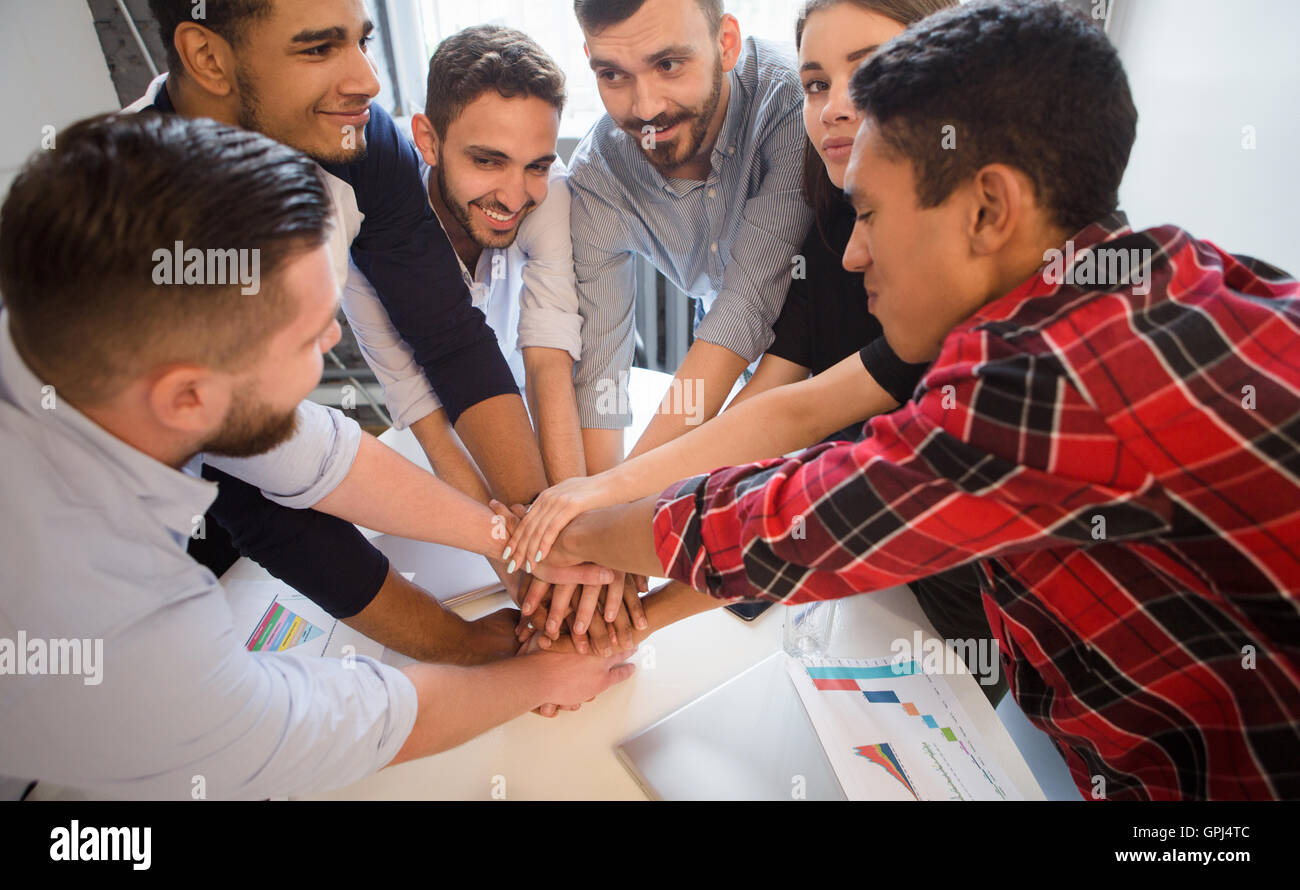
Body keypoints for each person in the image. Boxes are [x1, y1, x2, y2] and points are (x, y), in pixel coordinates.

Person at [527, 0, 1300, 800]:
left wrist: (574, 536)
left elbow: (786, 523)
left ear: (987, 210)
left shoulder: (1047, 381)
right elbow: (800, 416)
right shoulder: (1155, 276)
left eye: (869, 214)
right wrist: (598, 512)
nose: (854, 252)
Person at [0, 113, 634, 799]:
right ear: (187, 398)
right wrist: (543, 676)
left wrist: (520, 543)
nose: (333, 335)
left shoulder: (100, 355)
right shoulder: (111, 618)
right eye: (306, 340)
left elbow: (319, 458)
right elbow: (309, 729)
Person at [506, 0, 1004, 702]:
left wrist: (608, 539)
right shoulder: (833, 217)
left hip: (973, 619)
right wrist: (604, 527)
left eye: (869, 75)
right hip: (879, 592)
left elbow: (813, 518)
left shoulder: (1001, 310)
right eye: (816, 84)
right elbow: (778, 414)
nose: (832, 109)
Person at [137, 0, 636, 654]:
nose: (368, 79)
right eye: (320, 48)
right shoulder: (140, 226)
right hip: (138, 553)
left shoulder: (361, 141)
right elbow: (265, 499)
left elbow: (451, 341)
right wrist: (471, 647)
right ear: (208, 58)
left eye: (361, 40)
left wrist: (556, 569)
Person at [563, 0, 816, 474]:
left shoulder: (793, 102)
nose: (647, 108)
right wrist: (596, 503)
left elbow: (744, 308)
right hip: (734, 382)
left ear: (726, 44)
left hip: (826, 380)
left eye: (668, 65)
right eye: (613, 75)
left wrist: (618, 492)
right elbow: (602, 373)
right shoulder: (598, 175)